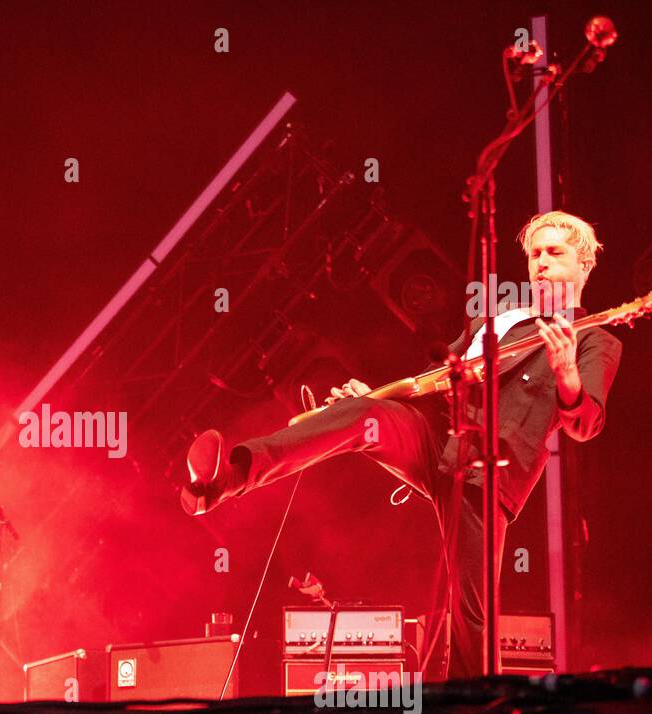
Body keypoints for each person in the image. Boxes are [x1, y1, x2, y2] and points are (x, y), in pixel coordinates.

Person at [180, 211, 623, 679]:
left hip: (488, 475)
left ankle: (469, 713)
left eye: (555, 253)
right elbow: (428, 386)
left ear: (585, 265)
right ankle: (225, 479)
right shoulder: (493, 322)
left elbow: (586, 423)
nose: (541, 263)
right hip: (437, 444)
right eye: (535, 254)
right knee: (364, 416)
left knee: (473, 614)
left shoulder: (595, 339)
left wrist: (567, 373)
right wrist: (371, 397)